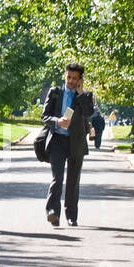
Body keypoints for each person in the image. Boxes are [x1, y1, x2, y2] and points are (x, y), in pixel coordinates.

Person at [41, 63, 97, 227]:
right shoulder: (55, 93)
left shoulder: (85, 96)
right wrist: (57, 121)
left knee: (73, 181)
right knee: (57, 178)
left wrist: (80, 94)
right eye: (68, 77)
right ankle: (52, 212)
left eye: (74, 78)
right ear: (64, 75)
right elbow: (44, 116)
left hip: (76, 142)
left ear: (80, 80)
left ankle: (71, 215)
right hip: (58, 140)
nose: (70, 81)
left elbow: (88, 113)